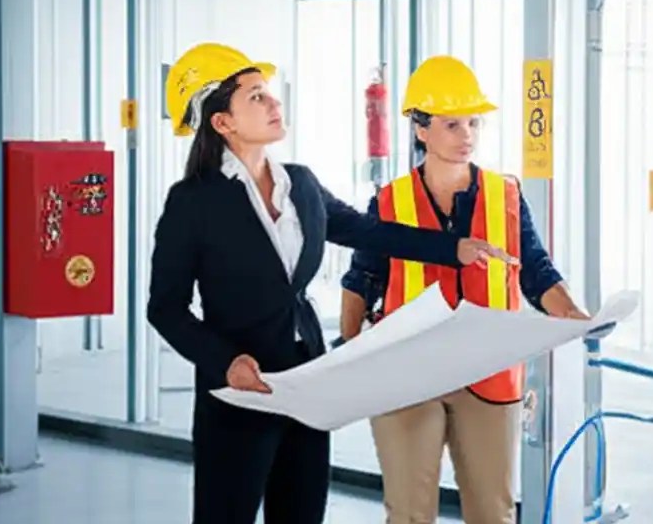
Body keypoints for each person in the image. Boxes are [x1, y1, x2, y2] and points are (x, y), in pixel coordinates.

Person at [147, 43, 516, 524]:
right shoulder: (192, 203)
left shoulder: (299, 184)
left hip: (308, 388)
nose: (274, 104)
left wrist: (453, 249)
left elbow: (369, 230)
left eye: (270, 94)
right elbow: (165, 308)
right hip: (239, 391)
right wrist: (224, 362)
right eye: (257, 96)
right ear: (223, 123)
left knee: (302, 513)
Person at [339, 54, 589, 524]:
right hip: (406, 375)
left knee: (492, 513)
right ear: (420, 129)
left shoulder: (507, 196)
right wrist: (350, 356)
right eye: (452, 125)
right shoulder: (389, 200)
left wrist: (575, 315)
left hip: (489, 377)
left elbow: (536, 272)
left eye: (473, 123)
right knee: (409, 514)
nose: (467, 136)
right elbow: (362, 280)